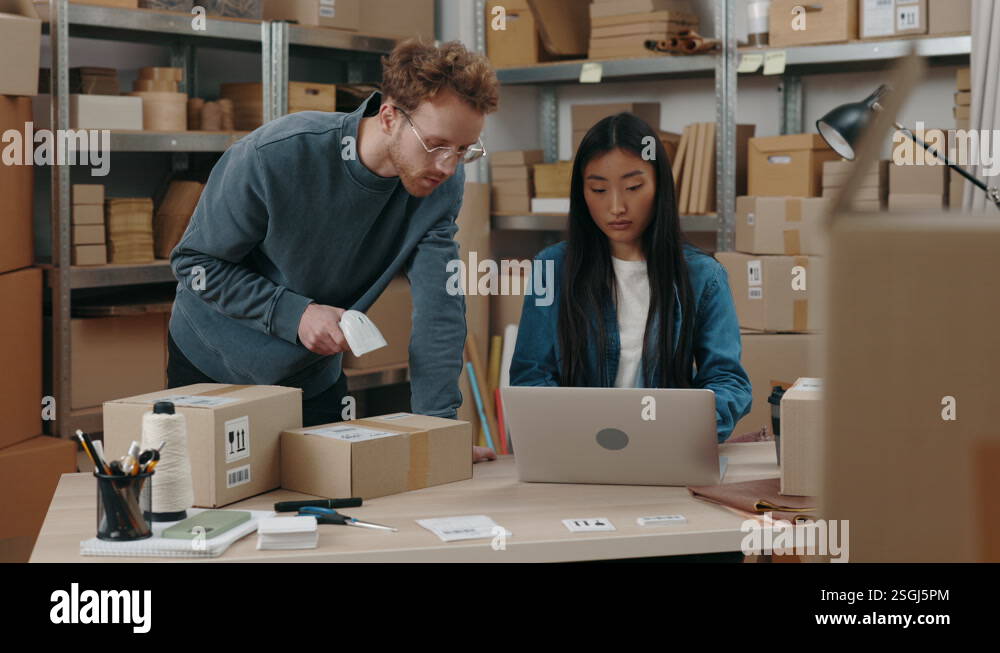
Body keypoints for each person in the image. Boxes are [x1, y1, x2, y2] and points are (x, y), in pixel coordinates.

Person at [167, 40, 499, 462]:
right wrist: (295, 314)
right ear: (390, 117)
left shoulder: (439, 186)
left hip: (310, 378)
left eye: (464, 150)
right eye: (436, 144)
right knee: (208, 513)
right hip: (212, 364)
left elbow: (440, 307)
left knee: (324, 512)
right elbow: (196, 265)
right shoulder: (277, 155)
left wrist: (440, 430)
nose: (448, 166)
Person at [510, 112, 752, 443]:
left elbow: (727, 379)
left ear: (660, 185)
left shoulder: (702, 276)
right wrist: (573, 432)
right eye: (598, 189)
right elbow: (531, 377)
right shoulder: (552, 268)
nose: (616, 206)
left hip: (667, 449)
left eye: (633, 187)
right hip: (577, 452)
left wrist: (688, 429)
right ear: (581, 193)